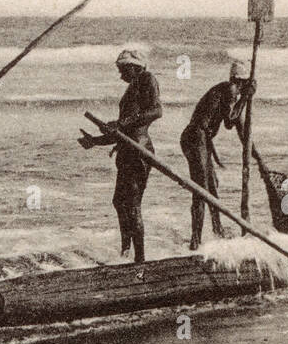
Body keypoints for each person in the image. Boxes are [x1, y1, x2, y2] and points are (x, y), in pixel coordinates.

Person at [79, 48, 162, 264]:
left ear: (134, 67)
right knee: (119, 202)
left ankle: (140, 260)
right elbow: (121, 134)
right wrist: (95, 141)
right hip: (127, 151)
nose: (120, 75)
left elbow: (156, 110)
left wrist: (122, 123)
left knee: (132, 205)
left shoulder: (147, 78)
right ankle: (125, 252)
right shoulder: (132, 88)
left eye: (122, 69)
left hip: (139, 151)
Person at [181, 60, 251, 250]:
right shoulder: (229, 90)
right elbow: (230, 121)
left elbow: (235, 124)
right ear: (242, 81)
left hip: (199, 139)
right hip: (196, 137)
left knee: (212, 186)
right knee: (202, 189)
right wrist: (245, 99)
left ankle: (217, 230)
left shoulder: (227, 91)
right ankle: (195, 240)